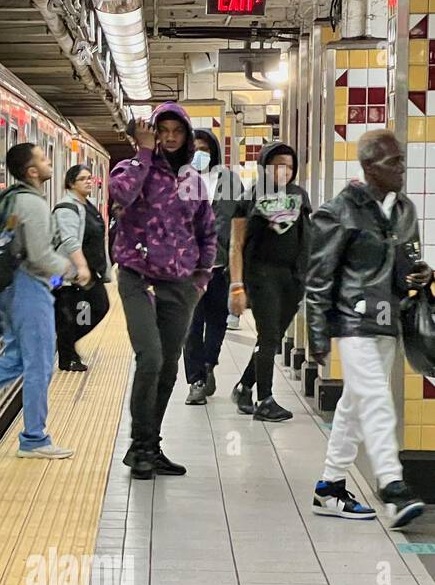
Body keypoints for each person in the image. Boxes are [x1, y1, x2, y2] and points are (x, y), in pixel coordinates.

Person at [306, 128, 429, 527]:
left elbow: (405, 265)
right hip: (353, 319)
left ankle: (330, 486)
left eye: (402, 160)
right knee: (376, 397)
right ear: (369, 167)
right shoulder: (340, 211)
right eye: (393, 162)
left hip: (388, 320)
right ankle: (393, 487)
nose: (402, 169)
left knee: (355, 405)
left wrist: (418, 274)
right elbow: (319, 276)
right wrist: (318, 333)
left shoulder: (405, 210)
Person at [0, 142, 90, 458]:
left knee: (18, 358)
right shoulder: (32, 204)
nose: (49, 163)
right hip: (28, 289)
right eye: (44, 160)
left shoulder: (13, 198)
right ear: (32, 171)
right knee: (40, 364)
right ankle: (34, 439)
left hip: (10, 288)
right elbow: (41, 256)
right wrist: (73, 272)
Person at [110, 102, 216, 480]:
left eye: (177, 131)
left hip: (181, 284)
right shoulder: (131, 168)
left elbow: (206, 230)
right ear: (152, 132)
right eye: (163, 130)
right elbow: (119, 196)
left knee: (169, 366)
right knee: (150, 357)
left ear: (187, 136)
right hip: (137, 277)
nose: (170, 138)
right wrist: (142, 152)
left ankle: (151, 446)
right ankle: (139, 447)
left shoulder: (192, 180)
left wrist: (201, 278)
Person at [228, 142, 313, 421]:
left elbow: (306, 236)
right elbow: (236, 244)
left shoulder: (299, 195)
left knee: (273, 339)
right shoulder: (248, 198)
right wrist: (237, 285)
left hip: (292, 278)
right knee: (267, 336)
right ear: (264, 167)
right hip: (261, 275)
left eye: (289, 166)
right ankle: (264, 399)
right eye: (277, 165)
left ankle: (244, 386)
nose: (284, 172)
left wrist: (307, 274)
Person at [183, 129, 240, 404]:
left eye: (204, 148)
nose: (198, 154)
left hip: (220, 266)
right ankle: (195, 380)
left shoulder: (229, 181)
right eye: (193, 149)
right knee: (191, 326)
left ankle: (208, 366)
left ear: (214, 150)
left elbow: (237, 220)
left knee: (217, 321)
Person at [53, 164, 109, 372]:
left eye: (90, 178)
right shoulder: (67, 208)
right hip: (66, 274)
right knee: (69, 311)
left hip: (84, 272)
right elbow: (69, 240)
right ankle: (67, 356)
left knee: (92, 307)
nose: (88, 182)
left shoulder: (87, 204)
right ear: (70, 183)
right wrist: (82, 267)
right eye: (83, 179)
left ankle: (67, 349)